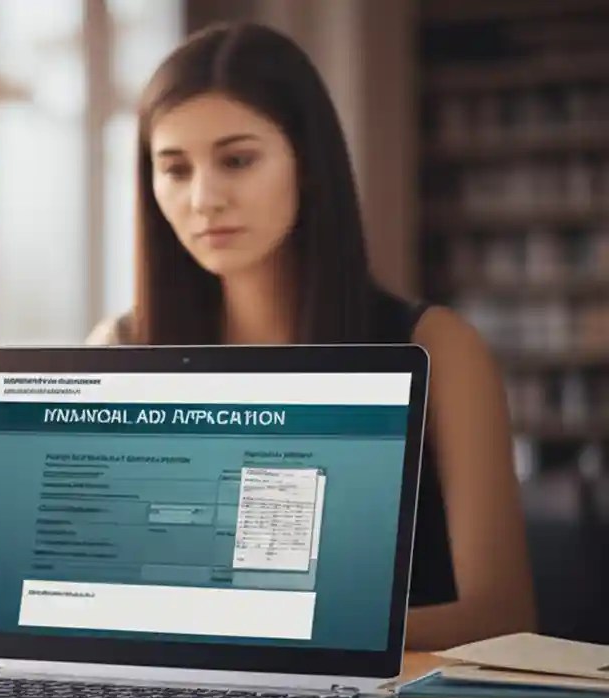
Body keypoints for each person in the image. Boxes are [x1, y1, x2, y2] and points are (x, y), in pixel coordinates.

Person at [88, 21, 535, 651]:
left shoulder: (439, 349)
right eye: (175, 169)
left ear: (309, 163)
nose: (204, 198)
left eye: (237, 160)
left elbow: (503, 618)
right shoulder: (119, 349)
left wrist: (255, 633)